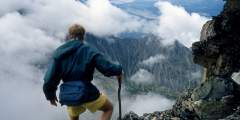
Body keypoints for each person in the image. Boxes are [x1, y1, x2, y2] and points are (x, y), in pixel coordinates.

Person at [43, 24, 123, 120]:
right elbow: (107, 68)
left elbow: (49, 78)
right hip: (87, 92)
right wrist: (119, 70)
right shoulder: (89, 51)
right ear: (83, 36)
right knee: (108, 108)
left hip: (69, 94)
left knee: (74, 116)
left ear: (69, 35)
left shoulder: (58, 53)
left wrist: (50, 95)